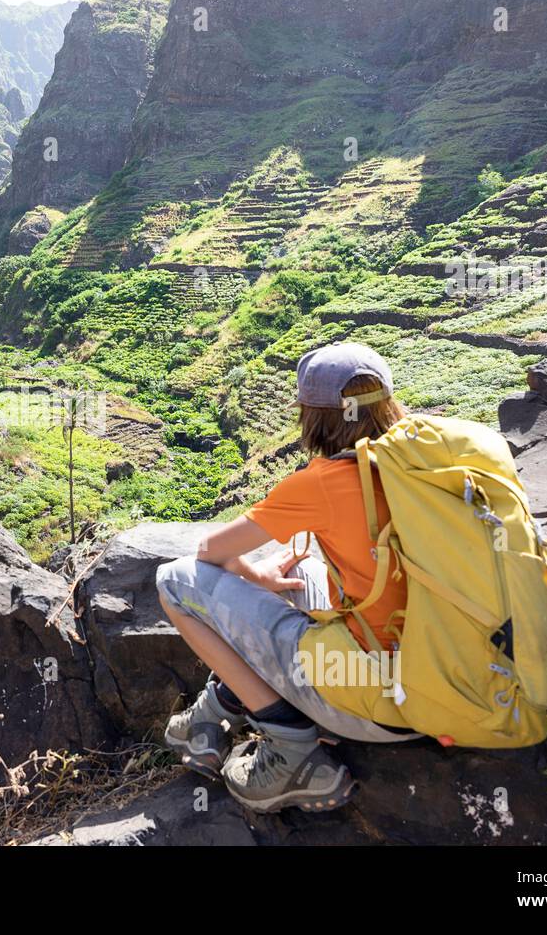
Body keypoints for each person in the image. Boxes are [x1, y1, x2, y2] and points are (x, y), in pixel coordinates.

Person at [155, 342, 420, 814]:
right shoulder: (423, 461)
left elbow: (209, 552)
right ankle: (217, 708)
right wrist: (270, 579)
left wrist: (254, 573)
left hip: (380, 704)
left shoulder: (323, 482)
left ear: (313, 416)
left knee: (174, 580)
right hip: (451, 673)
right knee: (295, 569)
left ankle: (289, 744)